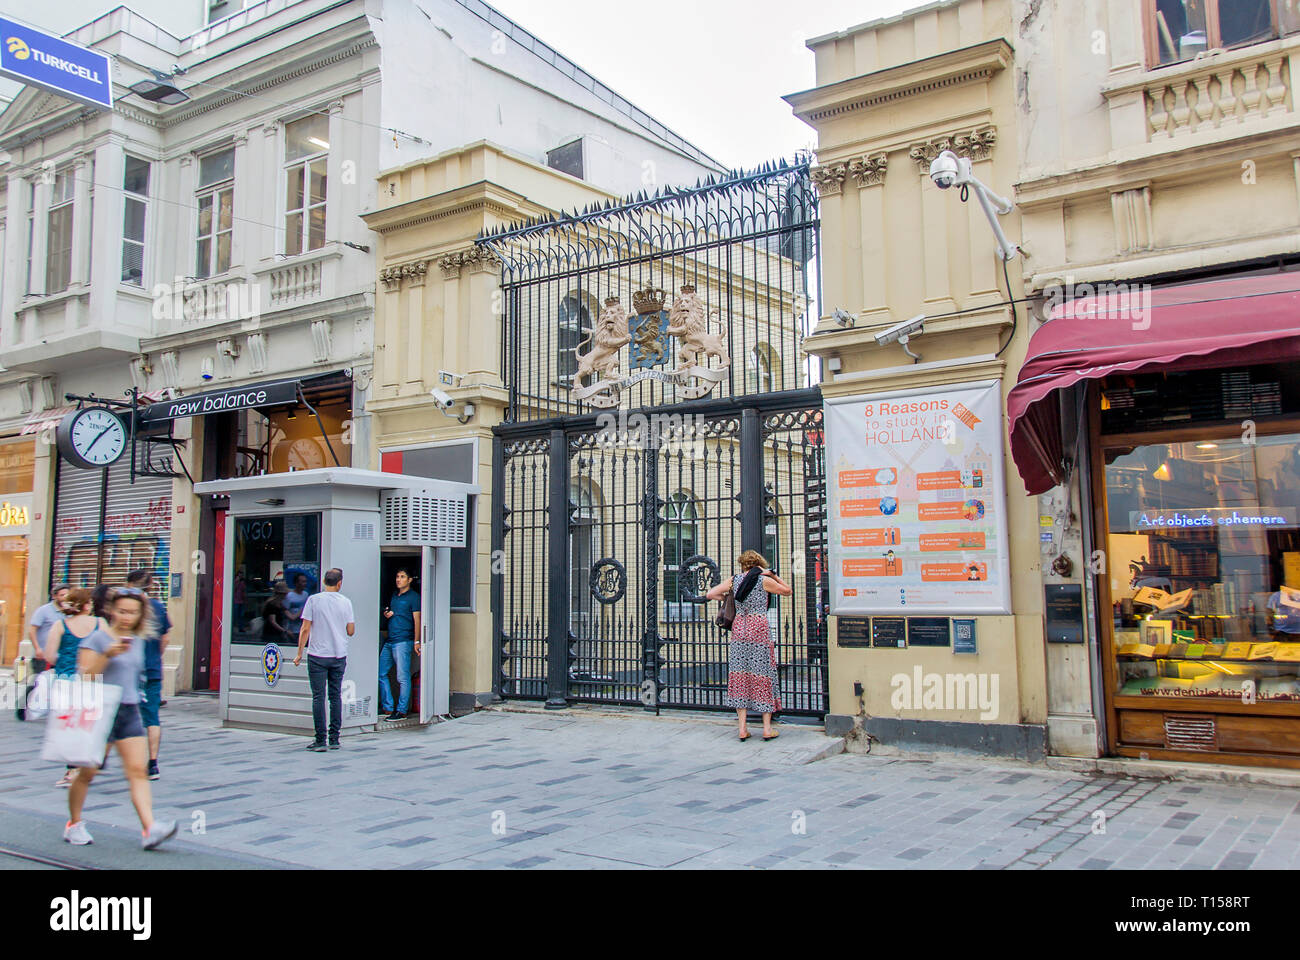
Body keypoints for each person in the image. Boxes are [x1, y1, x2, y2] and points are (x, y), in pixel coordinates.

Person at [64, 586, 177, 850]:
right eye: (123, 611)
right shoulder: (98, 639)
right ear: (112, 611)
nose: (127, 617)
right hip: (100, 711)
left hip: (128, 710)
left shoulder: (138, 641)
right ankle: (74, 823)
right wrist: (107, 655)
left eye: (133, 613)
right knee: (86, 774)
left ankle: (149, 828)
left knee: (138, 771)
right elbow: (86, 676)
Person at [706, 550, 792, 742]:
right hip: (758, 627)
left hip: (739, 628)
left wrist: (728, 599)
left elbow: (711, 593)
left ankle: (742, 728)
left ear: (742, 564)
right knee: (763, 673)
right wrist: (773, 574)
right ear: (759, 564)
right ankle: (767, 728)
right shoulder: (764, 580)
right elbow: (787, 591)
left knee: (740, 674)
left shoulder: (734, 580)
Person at [44, 588, 105, 788]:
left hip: (66, 680)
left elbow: (50, 655)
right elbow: (110, 648)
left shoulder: (60, 626)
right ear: (86, 605)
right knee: (87, 724)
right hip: (92, 679)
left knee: (69, 725)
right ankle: (85, 767)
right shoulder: (100, 624)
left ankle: (72, 770)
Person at [294, 568, 355, 752]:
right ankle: (335, 738)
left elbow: (305, 628)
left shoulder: (314, 600)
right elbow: (351, 631)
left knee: (318, 697)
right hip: (338, 655)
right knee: (335, 696)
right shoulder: (346, 602)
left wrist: (299, 653)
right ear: (339, 583)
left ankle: (320, 740)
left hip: (317, 655)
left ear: (323, 581)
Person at [126, 569, 171, 781]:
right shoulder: (158, 607)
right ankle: (152, 763)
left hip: (127, 672)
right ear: (150, 585)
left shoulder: (125, 608)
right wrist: (154, 657)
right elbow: (166, 638)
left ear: (129, 584)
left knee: (120, 714)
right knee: (152, 717)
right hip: (152, 669)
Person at [380, 568, 422, 721]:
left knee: (402, 677)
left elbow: (418, 620)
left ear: (409, 580)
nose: (399, 579)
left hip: (404, 641)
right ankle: (388, 707)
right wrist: (387, 614)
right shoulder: (394, 596)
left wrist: (417, 641)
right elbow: (393, 614)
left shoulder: (414, 597)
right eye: (397, 576)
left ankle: (402, 711)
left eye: (403, 577)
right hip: (390, 640)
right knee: (381, 673)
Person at [26, 584, 69, 675]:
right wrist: (37, 648)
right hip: (43, 657)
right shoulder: (44, 610)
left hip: (62, 658)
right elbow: (32, 630)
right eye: (62, 595)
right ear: (55, 596)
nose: (65, 598)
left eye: (67, 595)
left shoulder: (70, 612)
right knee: (40, 684)